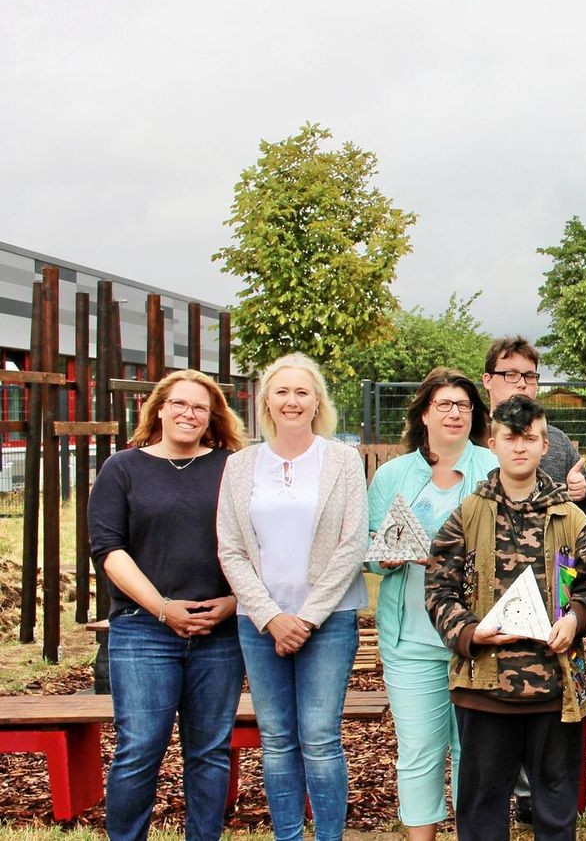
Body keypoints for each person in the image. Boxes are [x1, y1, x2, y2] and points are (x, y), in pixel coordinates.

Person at [424, 395, 586, 841]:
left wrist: (577, 620)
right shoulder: (468, 515)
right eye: (510, 437)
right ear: (493, 443)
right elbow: (438, 588)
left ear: (546, 444)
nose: (520, 446)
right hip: (485, 686)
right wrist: (468, 631)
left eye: (530, 437)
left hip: (556, 687)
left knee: (555, 806)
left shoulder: (570, 519)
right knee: (482, 806)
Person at [89, 370, 246, 841]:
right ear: (159, 408)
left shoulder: (231, 468)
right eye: (179, 404)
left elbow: (260, 545)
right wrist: (161, 607)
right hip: (143, 630)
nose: (188, 414)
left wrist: (236, 601)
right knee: (139, 750)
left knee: (210, 751)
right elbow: (109, 550)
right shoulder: (123, 468)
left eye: (200, 407)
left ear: (211, 416)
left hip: (218, 632)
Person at [217, 353, 369, 841]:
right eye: (281, 391)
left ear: (317, 401)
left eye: (302, 392)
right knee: (278, 741)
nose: (292, 400)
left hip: (328, 622)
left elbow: (353, 544)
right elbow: (231, 548)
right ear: (265, 400)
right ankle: (287, 836)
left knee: (321, 739)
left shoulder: (342, 460)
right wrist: (270, 617)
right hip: (260, 625)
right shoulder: (240, 465)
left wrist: (305, 618)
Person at [365, 369, 498, 840]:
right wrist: (384, 555)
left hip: (477, 636)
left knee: (474, 750)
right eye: (443, 404)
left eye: (463, 405)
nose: (454, 413)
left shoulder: (494, 466)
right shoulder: (393, 475)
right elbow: (371, 548)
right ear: (424, 414)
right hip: (411, 637)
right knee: (419, 748)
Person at [481, 336, 586, 523]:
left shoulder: (557, 441)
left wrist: (582, 495)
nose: (522, 383)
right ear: (487, 380)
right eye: (510, 375)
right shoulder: (471, 436)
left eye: (529, 376)